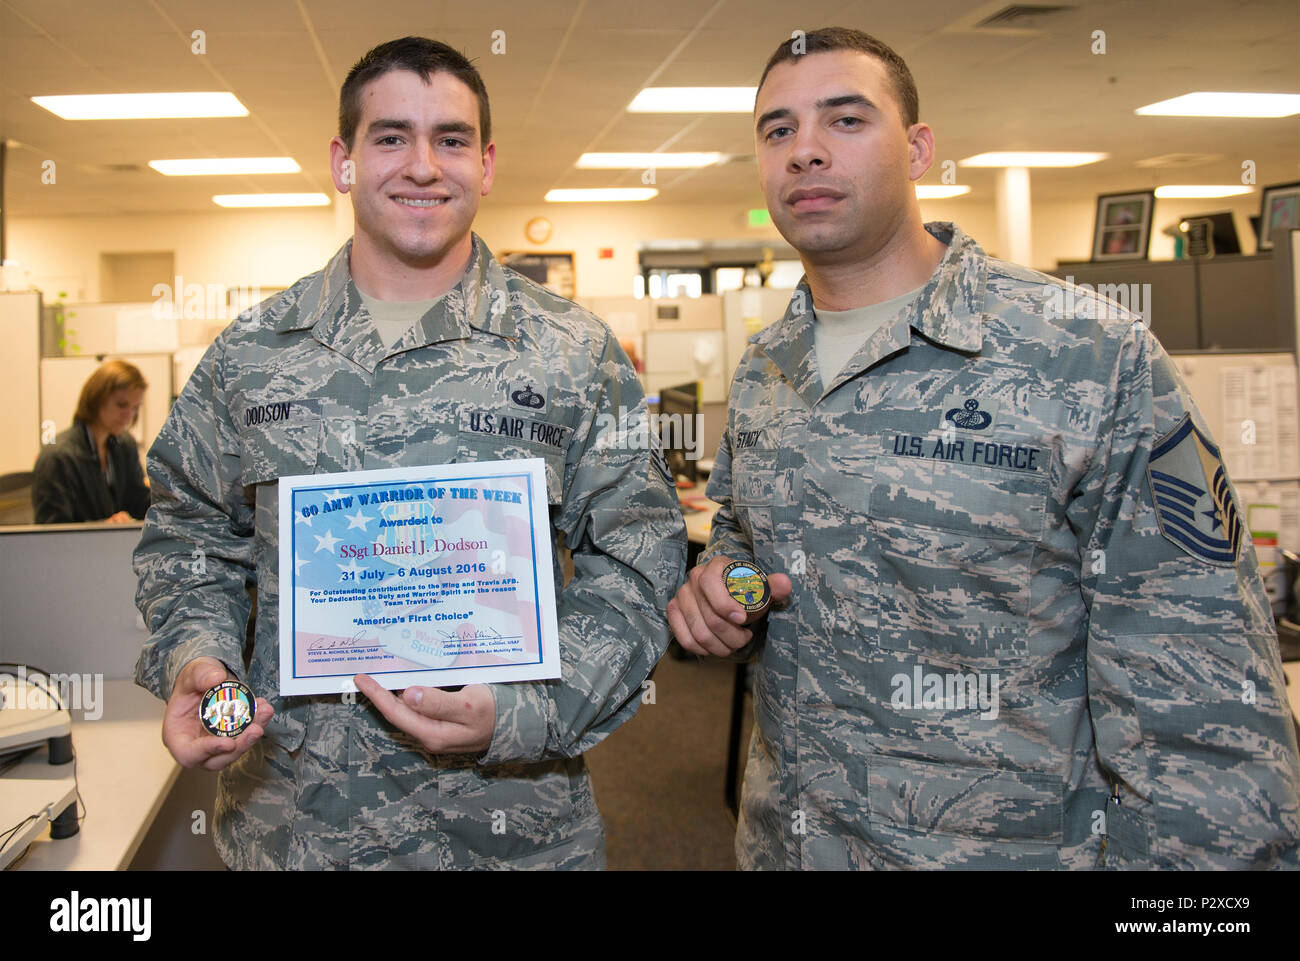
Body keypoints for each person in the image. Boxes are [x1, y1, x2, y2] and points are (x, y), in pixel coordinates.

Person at [668, 27, 1300, 869]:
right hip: (792, 844)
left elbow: (1205, 701)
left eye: (846, 121)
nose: (805, 152)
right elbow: (750, 540)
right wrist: (727, 591)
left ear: (919, 148)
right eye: (778, 130)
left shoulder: (1088, 355)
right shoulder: (768, 366)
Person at [134, 36, 686, 870]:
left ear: (487, 163)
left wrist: (524, 708)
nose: (423, 165)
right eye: (390, 137)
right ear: (343, 161)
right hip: (300, 828)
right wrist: (200, 657)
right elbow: (189, 540)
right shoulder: (250, 356)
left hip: (512, 829)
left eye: (452, 139)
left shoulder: (573, 352)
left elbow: (639, 561)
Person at [32, 358, 150, 524]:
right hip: (79, 549)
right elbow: (52, 534)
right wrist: (103, 527)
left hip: (112, 547)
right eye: (122, 405)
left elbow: (137, 501)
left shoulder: (123, 445)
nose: (129, 415)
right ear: (96, 400)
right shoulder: (58, 458)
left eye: (135, 407)